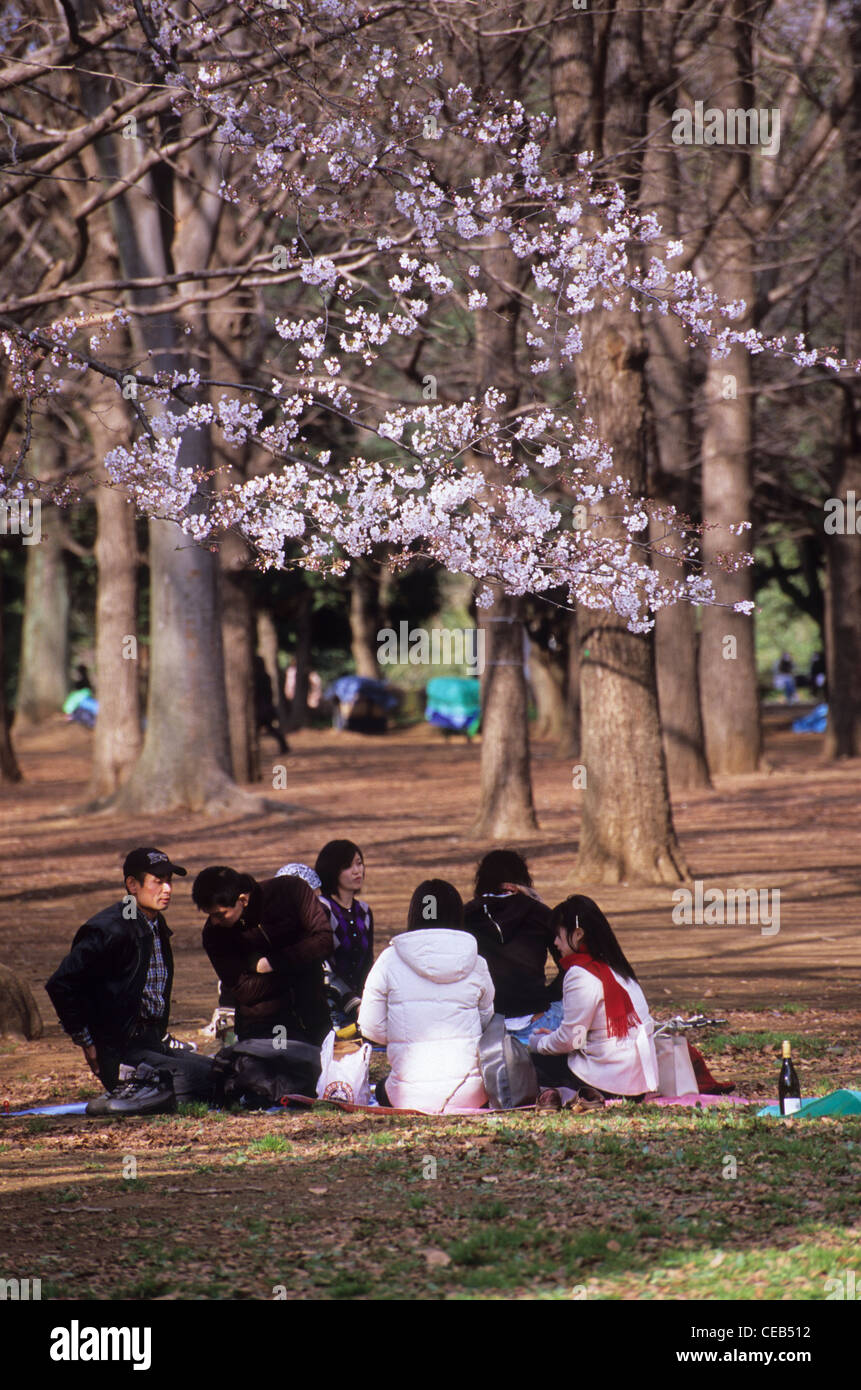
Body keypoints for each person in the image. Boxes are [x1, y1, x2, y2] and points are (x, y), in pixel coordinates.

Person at [45, 847, 214, 1107]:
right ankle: (125, 1096)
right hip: (118, 1050)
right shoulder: (109, 929)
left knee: (221, 1073)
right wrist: (87, 1043)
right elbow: (61, 983)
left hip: (151, 1043)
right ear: (132, 885)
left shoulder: (156, 925)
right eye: (158, 882)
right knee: (199, 1082)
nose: (167, 889)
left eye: (169, 881)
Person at [358, 880, 495, 1112]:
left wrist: (402, 1033)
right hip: (470, 1094)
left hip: (407, 1095)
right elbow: (486, 1021)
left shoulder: (388, 960)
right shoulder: (477, 963)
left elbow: (370, 1027)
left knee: (382, 1088)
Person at [528, 895, 657, 1105]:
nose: (555, 942)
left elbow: (572, 1040)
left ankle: (562, 1093)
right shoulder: (618, 967)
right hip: (638, 1082)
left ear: (578, 934)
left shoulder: (579, 974)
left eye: (558, 935)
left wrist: (538, 1043)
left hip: (605, 1083)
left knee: (533, 1060)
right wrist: (556, 1036)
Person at [194, 865, 333, 1045]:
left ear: (242, 900)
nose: (214, 921)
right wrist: (301, 966)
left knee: (321, 1069)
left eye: (220, 914)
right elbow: (244, 989)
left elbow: (324, 939)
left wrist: (272, 963)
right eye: (210, 915)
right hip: (267, 1025)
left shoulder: (291, 890)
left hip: (314, 1012)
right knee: (283, 1066)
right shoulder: (214, 934)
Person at [462, 849, 562, 1018]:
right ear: (523, 879)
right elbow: (569, 965)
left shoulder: (465, 915)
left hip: (482, 1013)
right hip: (534, 1011)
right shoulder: (541, 913)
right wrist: (545, 998)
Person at [314, 840, 374, 1000]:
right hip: (328, 1003)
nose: (357, 871)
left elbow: (368, 962)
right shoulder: (321, 909)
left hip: (362, 1003)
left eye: (359, 863)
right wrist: (349, 1000)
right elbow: (321, 965)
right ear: (331, 871)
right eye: (347, 866)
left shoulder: (364, 911)